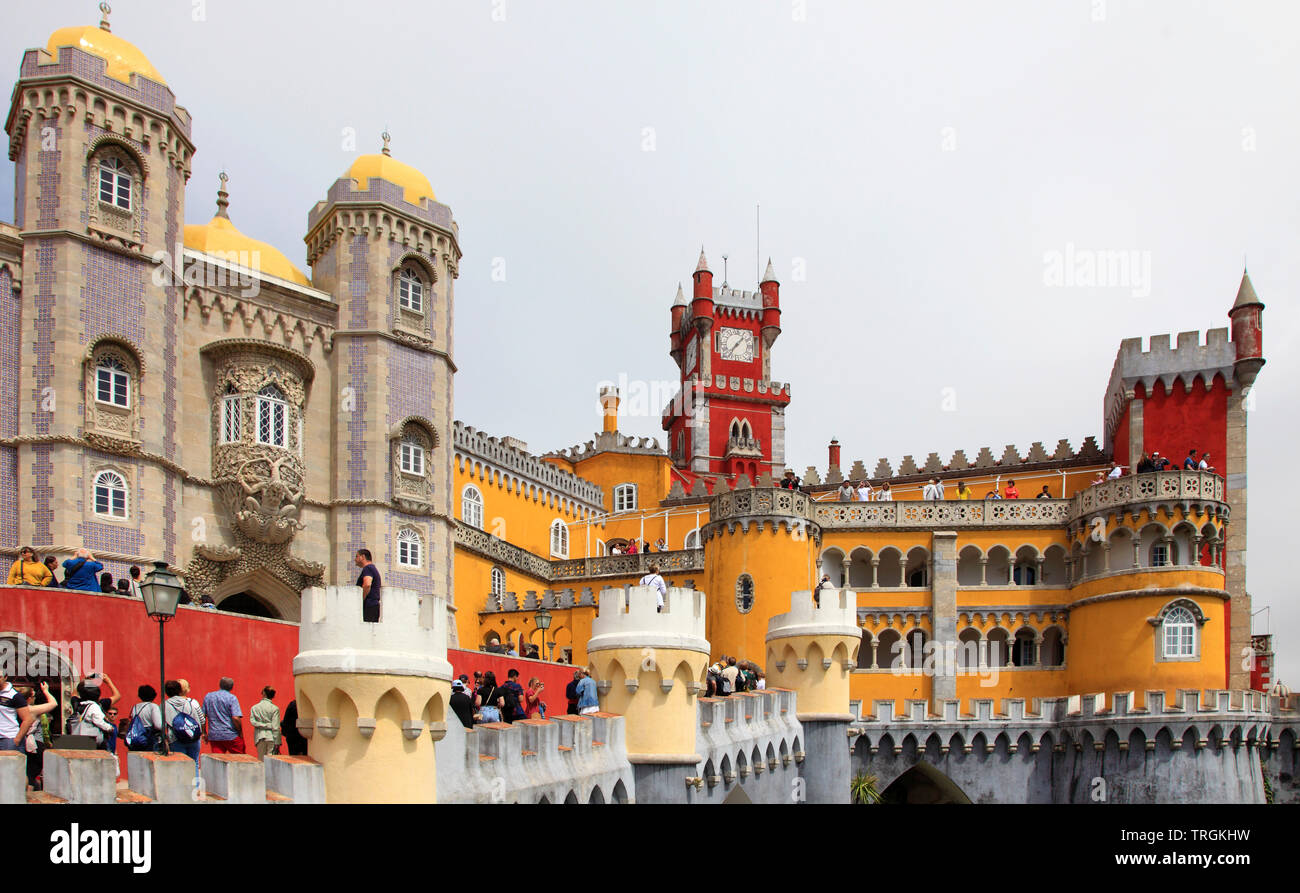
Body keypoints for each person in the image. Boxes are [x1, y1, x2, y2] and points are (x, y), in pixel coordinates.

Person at [18, 682, 56, 790]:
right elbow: (53, 703)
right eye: (33, 696)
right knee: (30, 775)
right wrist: (46, 691)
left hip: (21, 742)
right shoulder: (31, 709)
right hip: (35, 745)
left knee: (24, 773)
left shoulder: (13, 709)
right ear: (29, 698)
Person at [162, 679, 206, 765]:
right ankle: (194, 779)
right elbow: (199, 720)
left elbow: (160, 725)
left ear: (166, 692)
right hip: (193, 738)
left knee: (179, 765)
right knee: (195, 764)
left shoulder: (164, 705)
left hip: (175, 739)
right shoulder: (189, 703)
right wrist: (200, 734)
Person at [202, 677, 245, 754]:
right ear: (232, 687)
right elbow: (235, 718)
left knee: (217, 761)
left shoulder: (208, 696)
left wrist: (204, 732)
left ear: (220, 685)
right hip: (231, 735)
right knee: (240, 760)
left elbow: (203, 716)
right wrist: (240, 733)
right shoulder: (232, 698)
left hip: (214, 735)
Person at [69, 681, 114, 749]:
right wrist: (109, 728)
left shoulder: (79, 705)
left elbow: (74, 695)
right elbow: (98, 721)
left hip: (78, 740)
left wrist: (83, 682)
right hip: (91, 741)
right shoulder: (93, 706)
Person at [0, 671, 33, 752]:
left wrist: (17, 740)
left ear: (5, 677)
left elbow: (28, 720)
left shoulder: (14, 695)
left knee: (10, 764)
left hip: (9, 738)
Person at [124, 684, 163, 752]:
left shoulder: (135, 707)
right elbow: (158, 725)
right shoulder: (153, 706)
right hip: (149, 736)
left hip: (136, 735)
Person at [249, 686, 281, 759]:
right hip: (272, 737)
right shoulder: (275, 708)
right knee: (272, 761)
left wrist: (262, 725)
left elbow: (253, 722)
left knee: (261, 760)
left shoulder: (254, 708)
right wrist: (278, 742)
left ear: (263, 694)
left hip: (260, 736)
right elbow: (275, 727)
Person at [354, 549, 382, 622]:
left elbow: (367, 584)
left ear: (362, 557)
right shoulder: (372, 568)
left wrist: (361, 599)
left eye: (357, 556)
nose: (355, 559)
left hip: (369, 605)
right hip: (373, 606)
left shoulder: (368, 568)